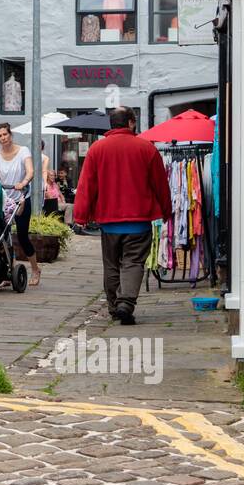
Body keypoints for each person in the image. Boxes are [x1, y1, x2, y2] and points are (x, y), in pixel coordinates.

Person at [72, 106, 173, 326]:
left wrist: (80, 215)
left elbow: (86, 185)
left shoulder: (97, 150)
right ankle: (126, 303)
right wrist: (167, 211)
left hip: (109, 222)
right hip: (139, 221)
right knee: (133, 262)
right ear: (130, 123)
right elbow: (160, 185)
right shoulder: (146, 149)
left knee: (111, 265)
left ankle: (114, 305)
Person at [0, 122, 41, 285]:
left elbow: (30, 171)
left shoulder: (23, 151)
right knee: (1, 237)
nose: (3, 138)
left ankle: (35, 270)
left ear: (10, 135)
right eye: (0, 136)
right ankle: (8, 272)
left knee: (22, 236)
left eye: (5, 134)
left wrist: (23, 183)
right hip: (4, 200)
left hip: (22, 198)